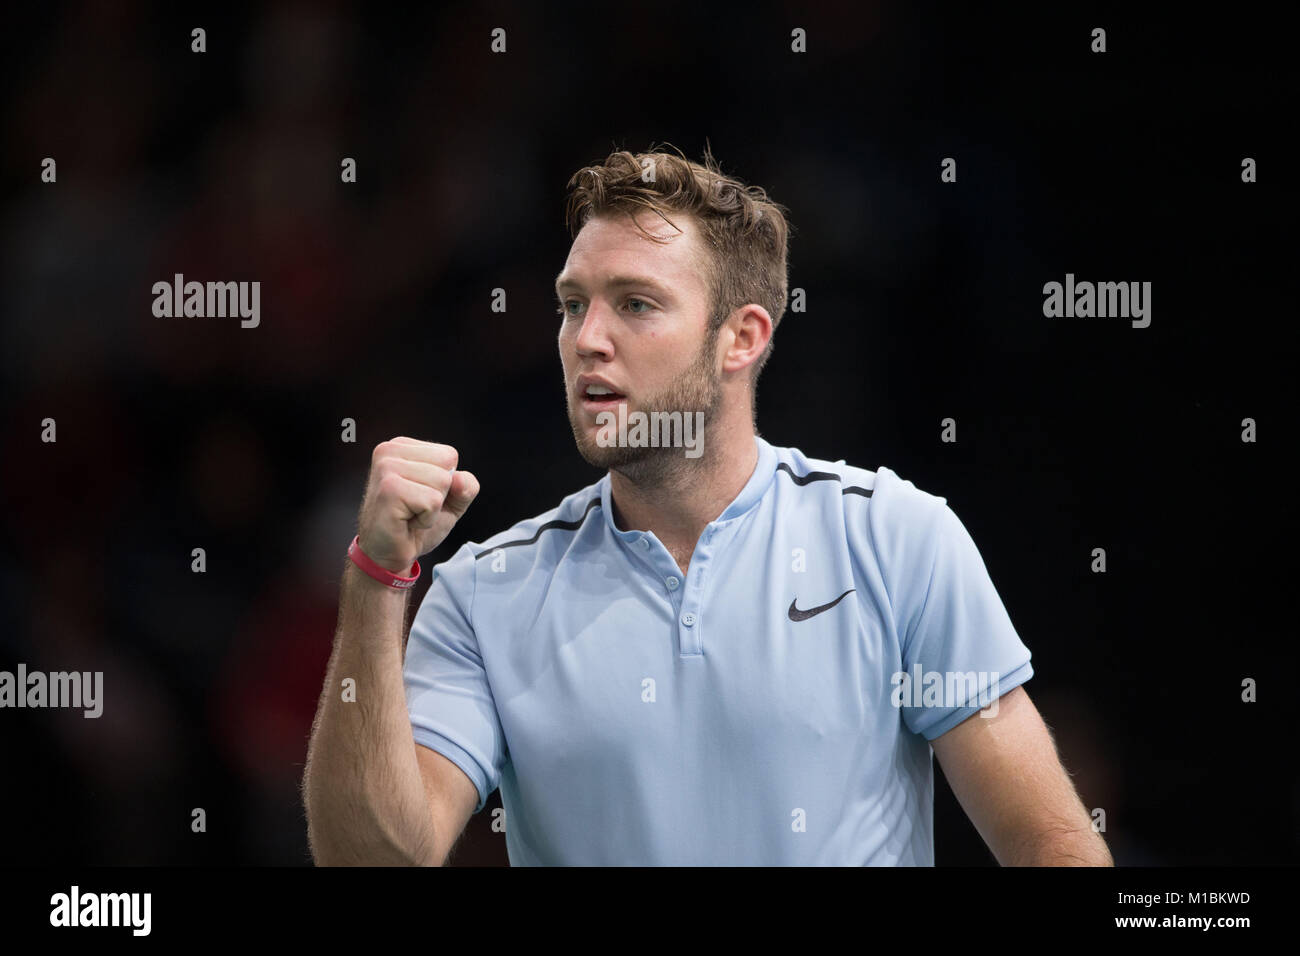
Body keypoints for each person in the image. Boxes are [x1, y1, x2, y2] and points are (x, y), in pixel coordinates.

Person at [302, 146, 1113, 866]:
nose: (586, 338)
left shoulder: (896, 540)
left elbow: (1052, 843)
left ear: (742, 337)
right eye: (573, 303)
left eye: (636, 303)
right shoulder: (484, 593)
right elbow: (372, 860)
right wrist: (377, 578)